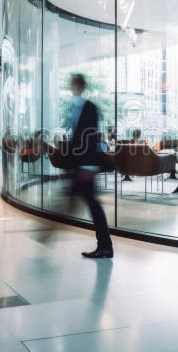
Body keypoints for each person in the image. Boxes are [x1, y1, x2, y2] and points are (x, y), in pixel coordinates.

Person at [68, 74, 113, 259]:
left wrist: (89, 166)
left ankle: (105, 247)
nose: (70, 87)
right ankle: (104, 246)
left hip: (86, 164)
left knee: (92, 204)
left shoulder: (89, 108)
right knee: (87, 203)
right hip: (80, 164)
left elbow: (90, 138)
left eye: (72, 84)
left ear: (78, 85)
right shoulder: (77, 107)